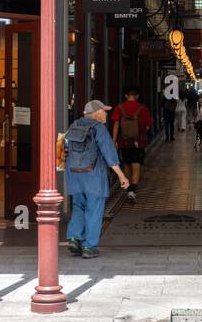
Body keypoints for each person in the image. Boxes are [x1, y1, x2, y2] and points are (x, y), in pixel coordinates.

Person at [64, 99, 129, 258]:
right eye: (104, 111)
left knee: (78, 205)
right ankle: (89, 247)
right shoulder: (98, 128)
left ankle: (74, 237)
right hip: (93, 175)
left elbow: (63, 148)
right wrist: (122, 176)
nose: (106, 114)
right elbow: (109, 154)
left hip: (74, 173)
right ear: (97, 113)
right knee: (94, 209)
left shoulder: (74, 125)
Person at [111, 86, 153, 203]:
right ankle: (132, 190)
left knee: (127, 164)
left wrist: (114, 140)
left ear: (126, 95)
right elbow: (148, 125)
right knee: (136, 165)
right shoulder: (143, 109)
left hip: (123, 141)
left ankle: (128, 187)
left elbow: (116, 124)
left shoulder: (120, 108)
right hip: (138, 142)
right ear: (137, 96)